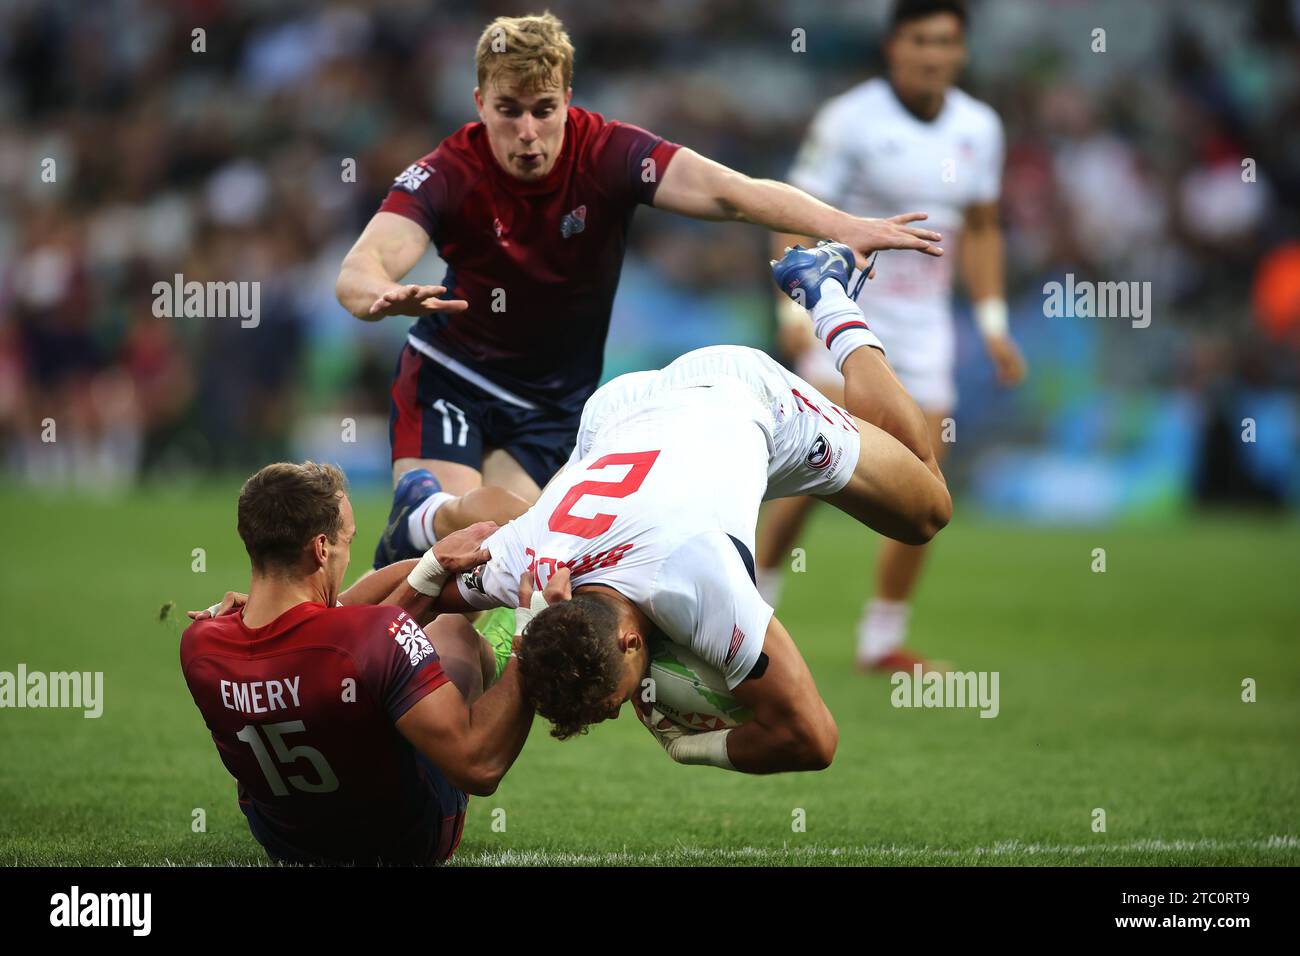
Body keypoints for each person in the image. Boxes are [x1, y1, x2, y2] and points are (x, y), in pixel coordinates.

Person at [334, 11, 944, 572]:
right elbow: (364, 265)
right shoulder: (447, 172)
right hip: (452, 380)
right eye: (508, 109)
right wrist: (379, 293)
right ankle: (410, 544)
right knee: (459, 553)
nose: (527, 131)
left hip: (552, 406)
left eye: (543, 109)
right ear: (479, 103)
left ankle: (417, 530)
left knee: (509, 558)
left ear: (568, 100)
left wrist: (847, 226)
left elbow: (730, 191)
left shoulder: (609, 153)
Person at [382, 243, 951, 774]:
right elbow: (410, 602)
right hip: (620, 415)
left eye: (616, 700)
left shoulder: (698, 581)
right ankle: (429, 509)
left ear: (632, 643)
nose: (618, 713)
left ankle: (826, 296)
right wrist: (430, 563)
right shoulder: (529, 560)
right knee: (519, 519)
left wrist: (692, 748)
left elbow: (814, 738)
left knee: (927, 511)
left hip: (739, 395)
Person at [755, 0, 1026, 673]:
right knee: (805, 474)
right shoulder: (851, 119)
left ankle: (882, 640)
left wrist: (992, 322)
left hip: (927, 330)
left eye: (945, 42)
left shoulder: (979, 127)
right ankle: (749, 614)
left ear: (961, 51)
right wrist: (795, 311)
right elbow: (788, 209)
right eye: (920, 41)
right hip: (842, 313)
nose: (933, 54)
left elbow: (984, 226)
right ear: (893, 47)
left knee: (924, 478)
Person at [179, 461, 548, 865]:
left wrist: (429, 565)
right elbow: (479, 767)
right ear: (321, 548)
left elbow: (335, 632)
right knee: (453, 632)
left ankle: (424, 560)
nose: (347, 551)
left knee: (371, 652)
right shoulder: (368, 639)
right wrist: (528, 639)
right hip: (407, 839)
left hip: (285, 842)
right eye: (347, 541)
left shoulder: (200, 643)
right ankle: (502, 640)